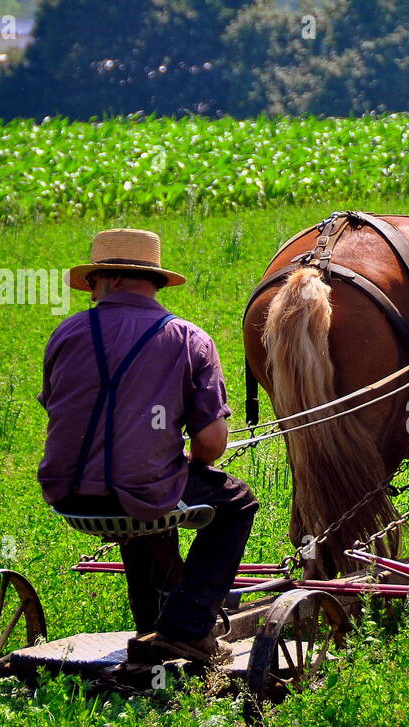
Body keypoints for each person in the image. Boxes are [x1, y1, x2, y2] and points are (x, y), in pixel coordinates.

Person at [37, 228, 258, 664]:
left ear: (112, 280)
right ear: (152, 281)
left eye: (93, 284)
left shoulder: (65, 333)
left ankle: (151, 625)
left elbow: (65, 413)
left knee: (143, 490)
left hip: (67, 493)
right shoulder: (188, 339)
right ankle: (188, 628)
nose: (92, 294)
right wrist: (186, 459)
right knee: (235, 501)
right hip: (141, 493)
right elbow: (212, 443)